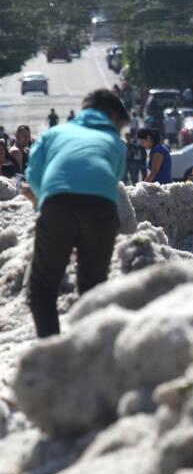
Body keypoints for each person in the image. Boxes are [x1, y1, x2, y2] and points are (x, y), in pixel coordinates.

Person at [23, 89, 128, 337]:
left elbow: (33, 176)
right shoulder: (116, 143)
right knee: (93, 288)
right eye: (120, 124)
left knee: (42, 287)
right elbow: (113, 179)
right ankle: (88, 353)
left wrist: (45, 202)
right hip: (102, 209)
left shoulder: (54, 133)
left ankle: (52, 353)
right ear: (112, 117)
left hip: (58, 204)